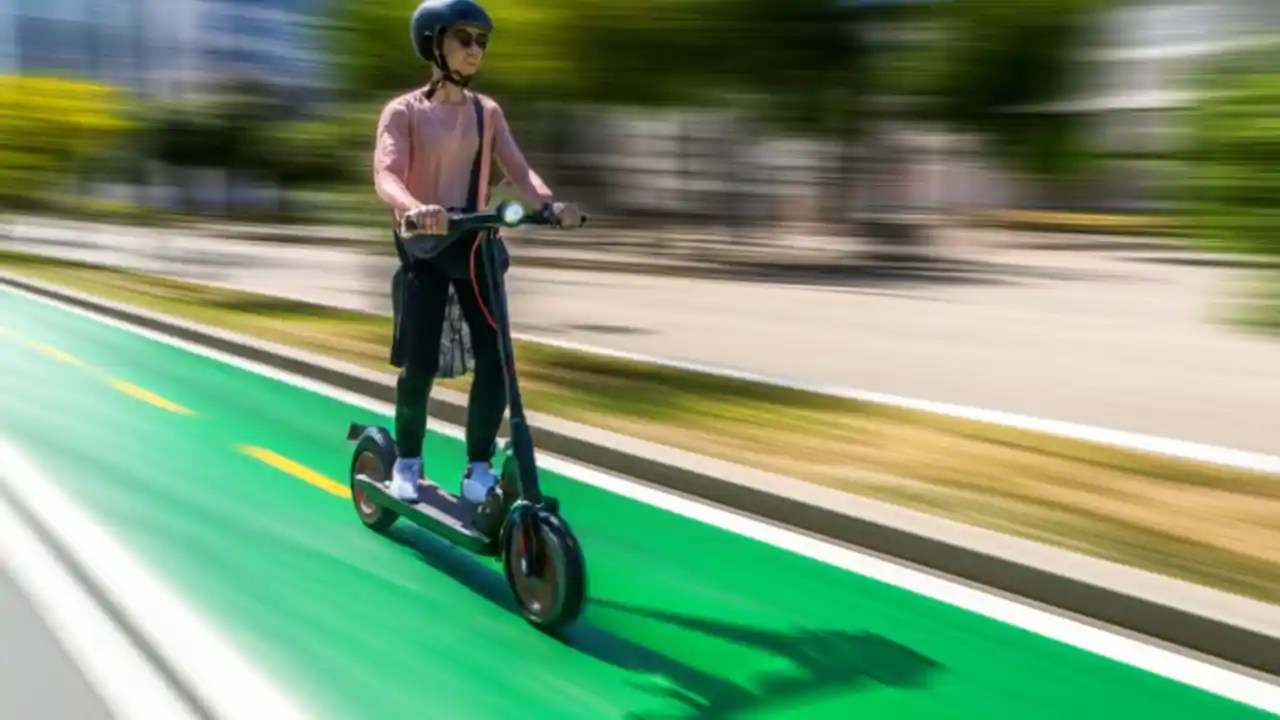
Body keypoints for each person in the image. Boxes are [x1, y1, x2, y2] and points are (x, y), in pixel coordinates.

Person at [372, 0, 582, 510]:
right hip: (425, 247)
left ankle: (479, 468)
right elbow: (386, 175)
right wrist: (416, 208)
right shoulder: (403, 112)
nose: (475, 49)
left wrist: (550, 205)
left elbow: (518, 169)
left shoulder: (486, 112)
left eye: (481, 41)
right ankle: (407, 462)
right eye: (464, 38)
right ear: (434, 43)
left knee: (496, 362)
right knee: (418, 366)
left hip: (472, 246)